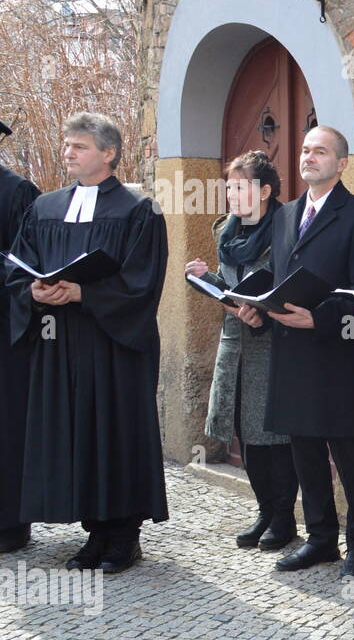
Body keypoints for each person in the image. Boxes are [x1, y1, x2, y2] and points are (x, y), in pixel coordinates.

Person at [3, 112, 168, 572]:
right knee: (78, 432)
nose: (68, 153)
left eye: (78, 146)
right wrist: (33, 291)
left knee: (115, 431)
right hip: (61, 345)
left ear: (108, 153)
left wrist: (84, 292)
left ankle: (124, 536)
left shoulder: (139, 210)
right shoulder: (46, 208)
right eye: (67, 145)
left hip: (114, 344)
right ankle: (94, 533)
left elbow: (144, 281)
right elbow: (19, 266)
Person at [236, 126, 354, 579]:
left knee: (347, 450)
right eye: (304, 150)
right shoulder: (284, 217)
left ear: (341, 164)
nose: (308, 157)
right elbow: (280, 281)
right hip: (291, 350)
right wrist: (258, 313)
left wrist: (319, 319)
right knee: (303, 448)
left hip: (338, 352)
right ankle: (320, 538)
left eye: (320, 151)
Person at [185, 150, 298, 551]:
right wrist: (206, 278)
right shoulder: (226, 232)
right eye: (228, 186)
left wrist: (263, 314)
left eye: (240, 186)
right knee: (243, 433)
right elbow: (230, 287)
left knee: (272, 434)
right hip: (235, 340)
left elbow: (291, 287)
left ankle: (284, 519)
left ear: (265, 191)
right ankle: (265, 511)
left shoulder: (288, 228)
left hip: (272, 342)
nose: (231, 194)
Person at [0, 121, 41, 554]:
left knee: (6, 427)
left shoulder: (16, 193)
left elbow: (23, 268)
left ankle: (9, 525)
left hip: (4, 335)